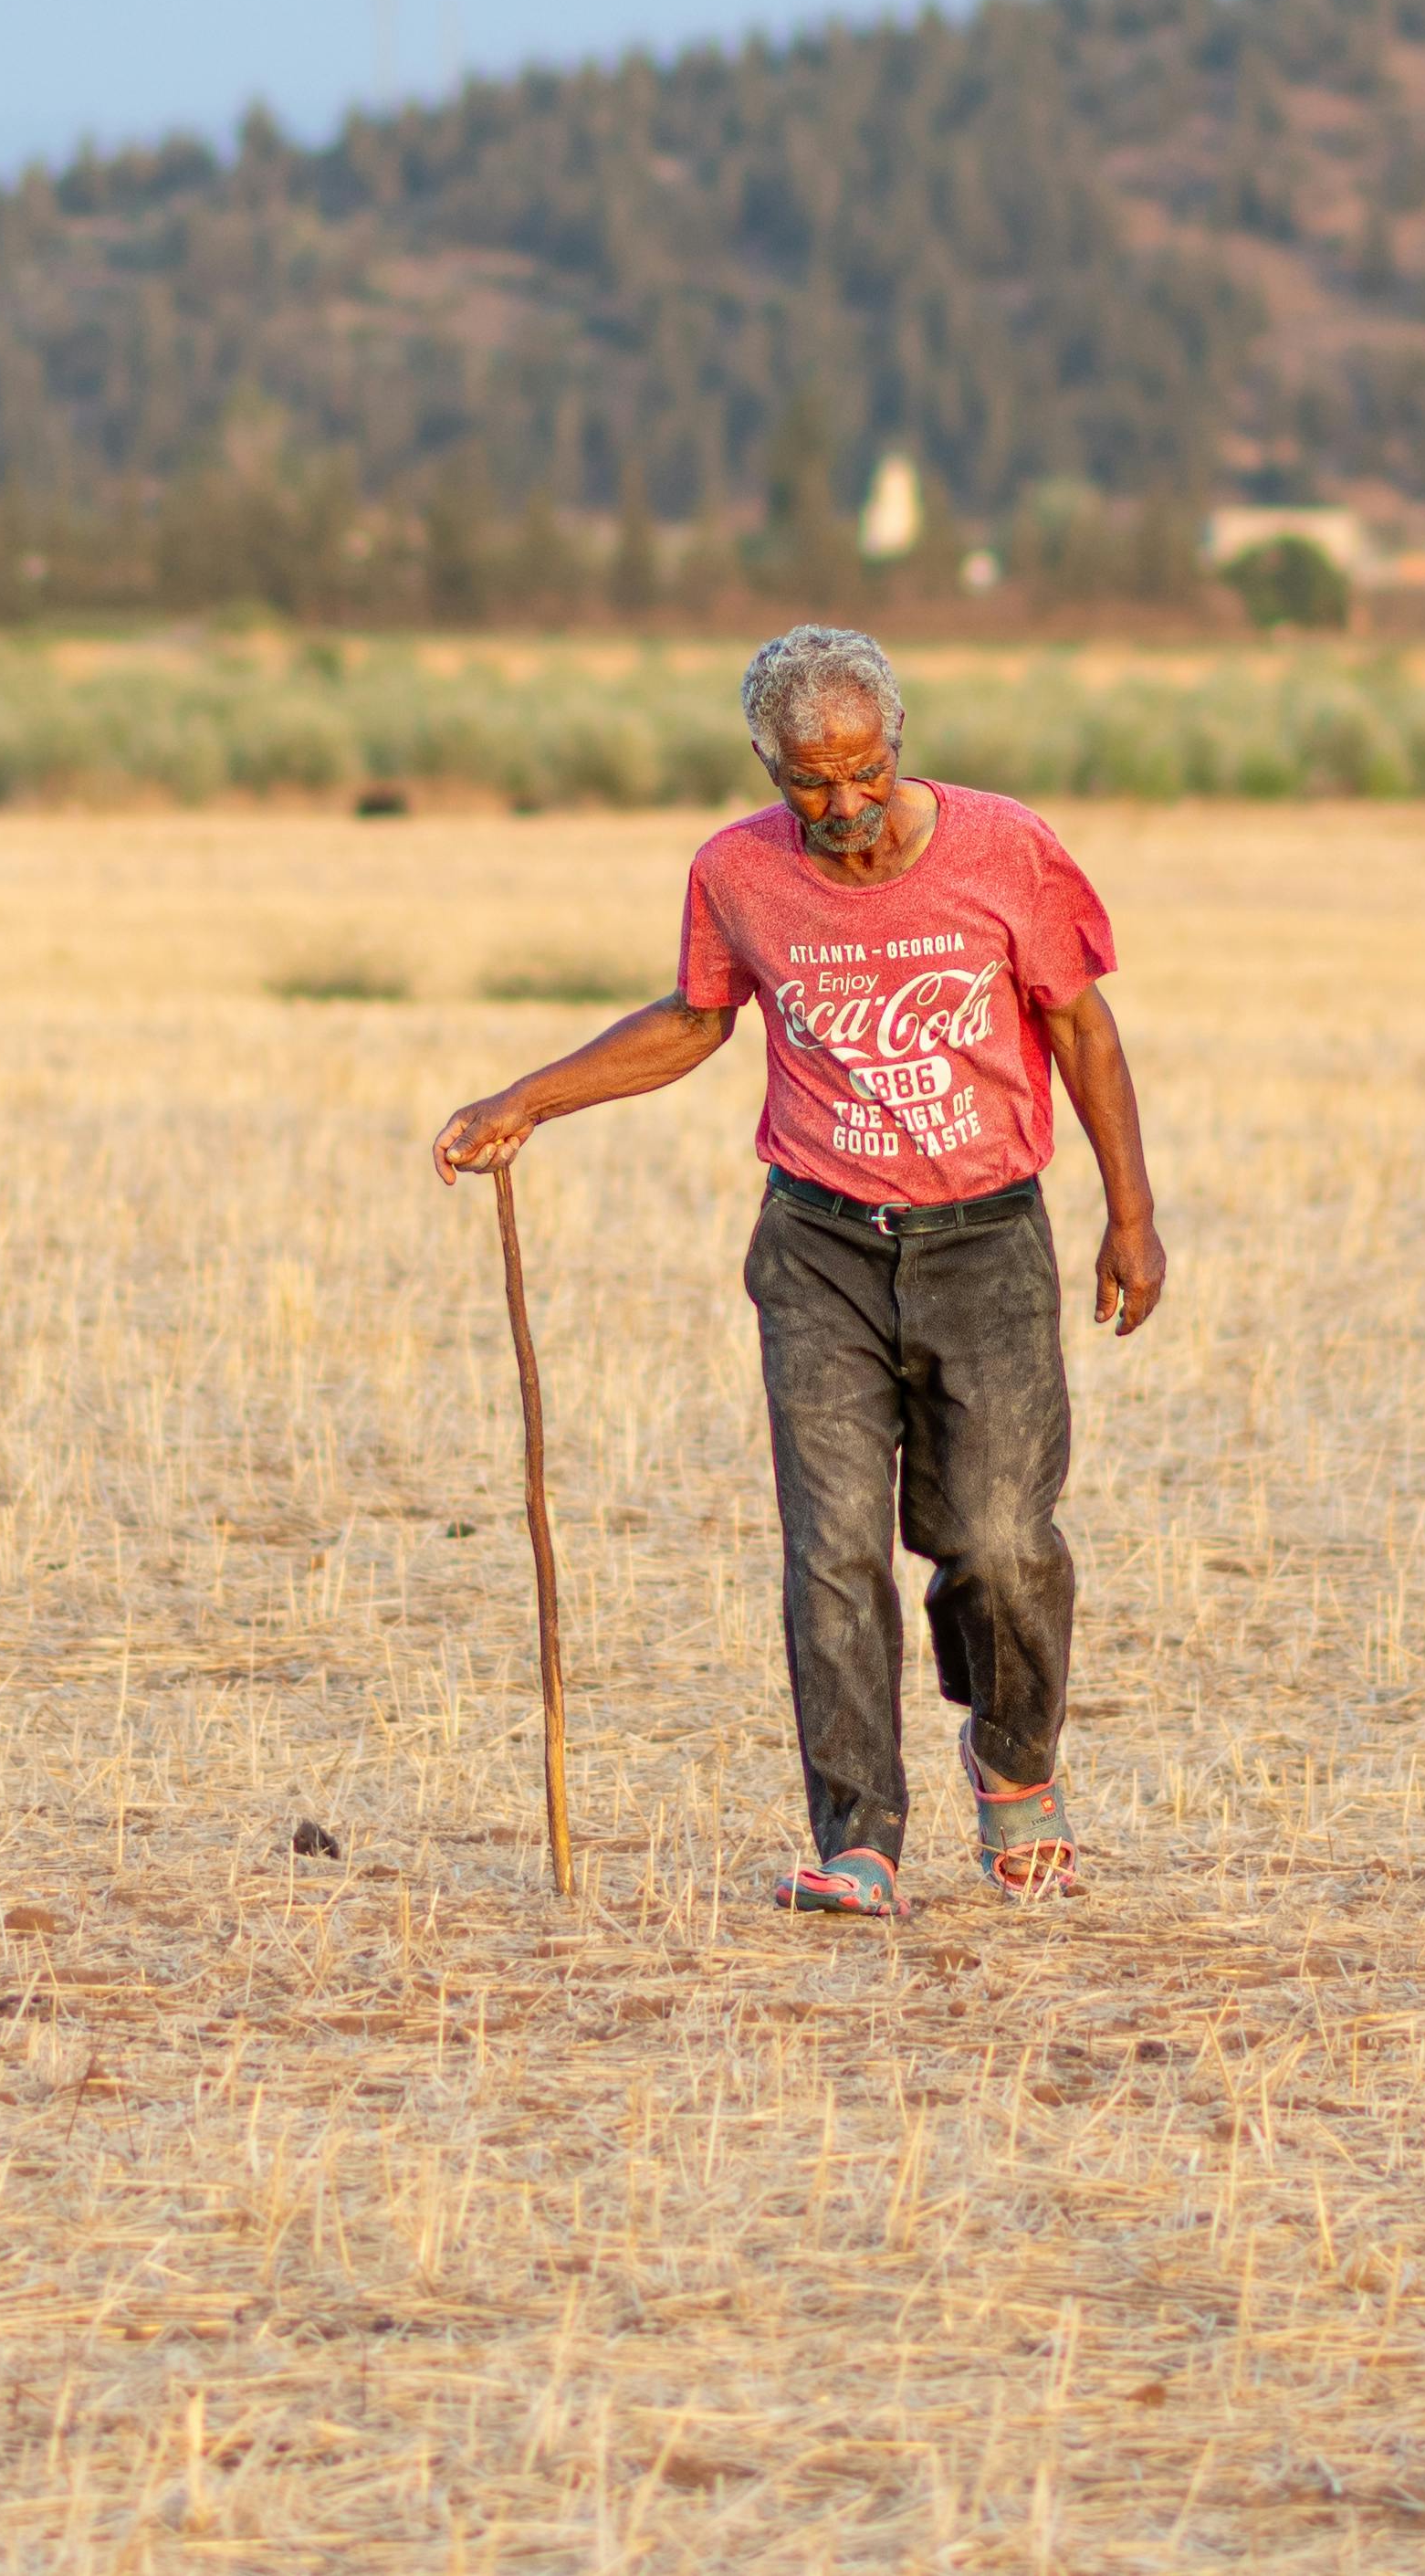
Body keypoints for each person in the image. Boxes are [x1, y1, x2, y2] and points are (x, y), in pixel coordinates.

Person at [433, 626, 1165, 1917]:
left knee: (996, 1542)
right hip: (818, 1243)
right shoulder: (737, 873)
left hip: (986, 1242)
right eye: (810, 783)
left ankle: (1013, 1769)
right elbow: (693, 1022)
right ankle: (858, 1839)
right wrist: (527, 1101)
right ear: (769, 766)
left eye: (864, 773)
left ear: (898, 744)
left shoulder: (1008, 850)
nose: (843, 806)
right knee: (831, 1549)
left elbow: (1080, 1026)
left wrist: (1131, 1215)